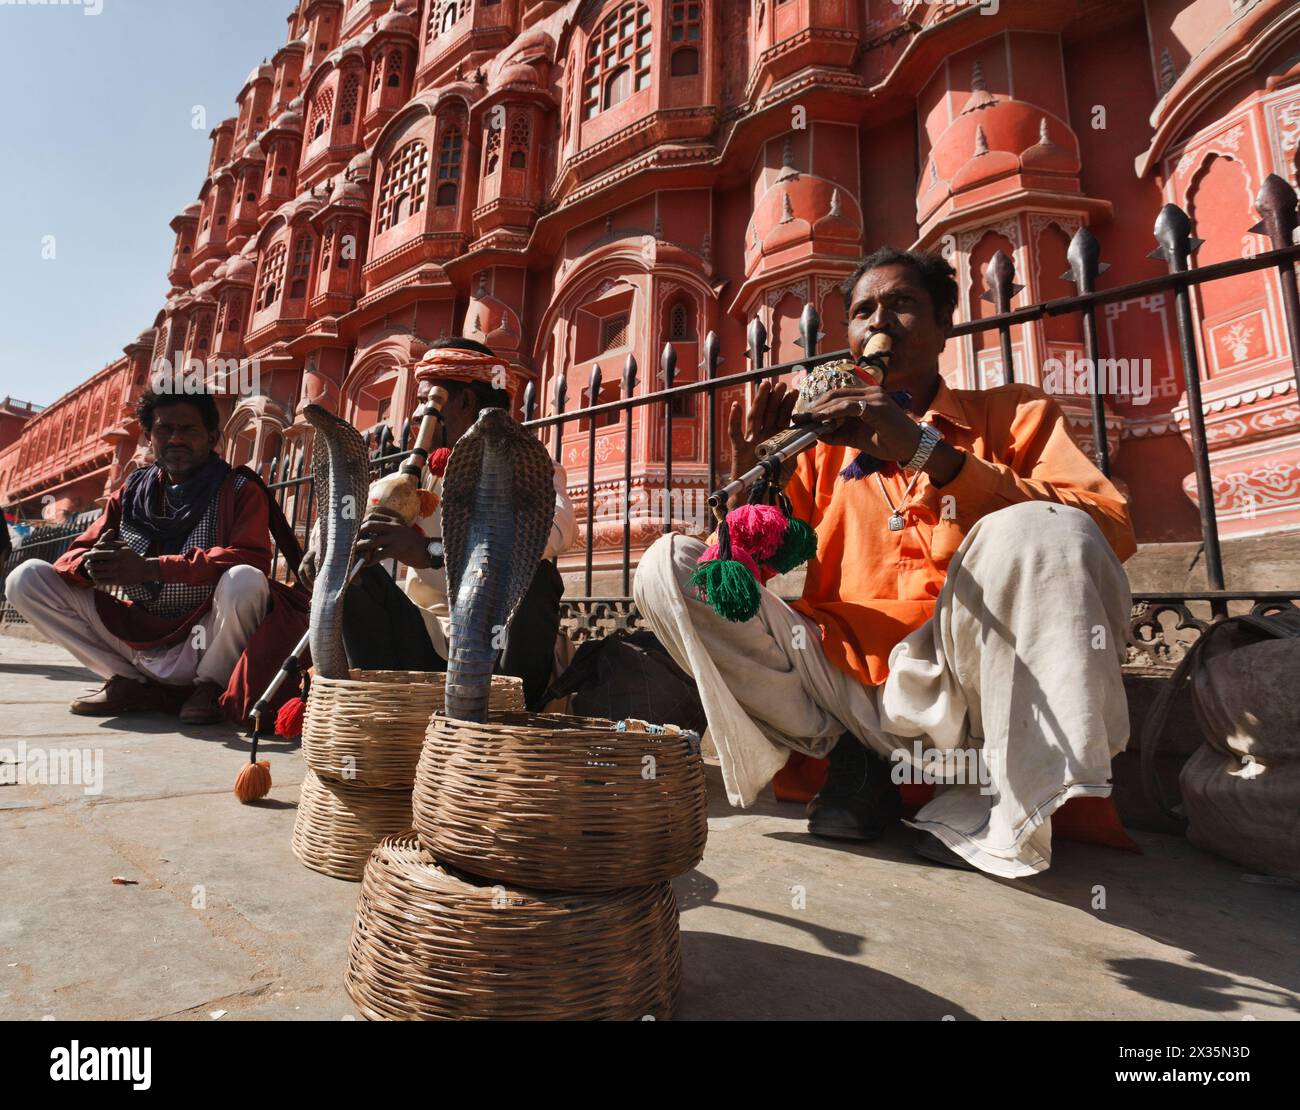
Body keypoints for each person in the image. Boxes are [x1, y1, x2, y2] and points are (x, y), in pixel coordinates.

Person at [634, 247, 1137, 877]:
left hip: (968, 675)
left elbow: (1107, 527)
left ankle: (994, 803)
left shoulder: (1013, 414)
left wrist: (926, 451)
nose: (880, 322)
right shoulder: (818, 445)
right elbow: (738, 575)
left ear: (944, 324)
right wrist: (749, 480)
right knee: (667, 567)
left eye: (901, 304)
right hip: (845, 685)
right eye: (863, 310)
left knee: (1045, 527)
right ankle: (854, 758)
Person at [300, 337, 576, 708]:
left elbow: (557, 530)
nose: (414, 417)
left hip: (498, 649)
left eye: (427, 402)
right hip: (423, 638)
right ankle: (380, 707)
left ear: (465, 402)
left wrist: (430, 552)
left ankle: (512, 717)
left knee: (537, 577)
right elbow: (337, 519)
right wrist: (329, 549)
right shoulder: (417, 477)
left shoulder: (532, 469)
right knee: (351, 570)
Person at [5, 386, 306, 725]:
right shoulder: (132, 490)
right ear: (149, 437)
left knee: (245, 580)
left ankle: (210, 687)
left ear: (212, 437)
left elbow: (249, 557)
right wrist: (92, 567)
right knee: (25, 578)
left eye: (188, 429)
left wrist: (153, 569)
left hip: (208, 634)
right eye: (165, 429)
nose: (176, 439)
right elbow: (72, 557)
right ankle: (127, 681)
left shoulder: (238, 489)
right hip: (140, 633)